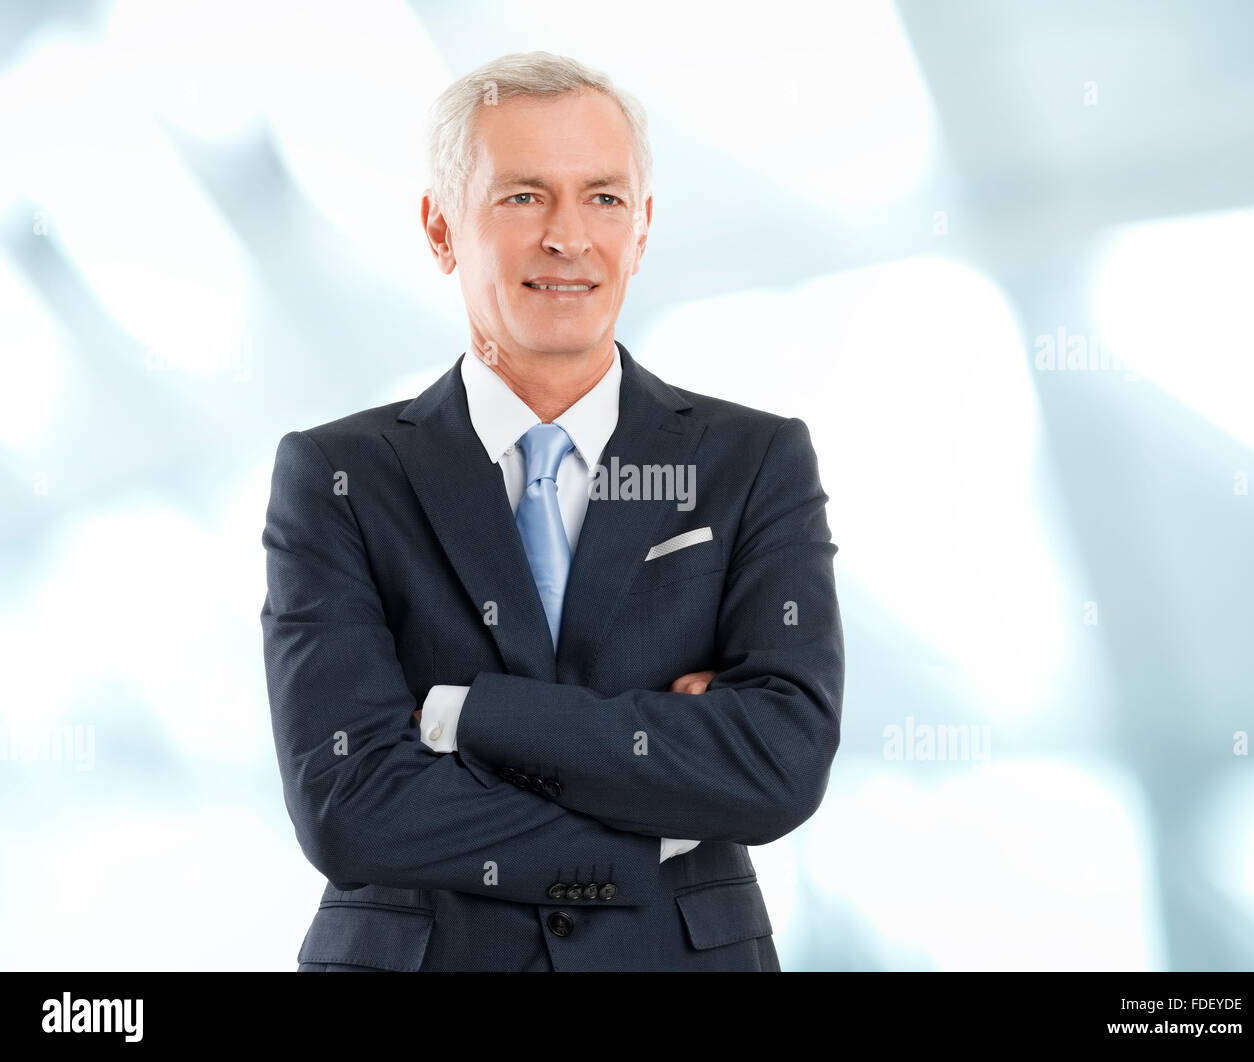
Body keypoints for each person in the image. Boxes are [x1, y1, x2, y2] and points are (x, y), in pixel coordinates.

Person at [260, 50, 844, 972]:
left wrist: (462, 718)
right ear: (441, 228)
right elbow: (349, 800)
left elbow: (779, 762)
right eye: (523, 197)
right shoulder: (339, 476)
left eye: (604, 198)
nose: (568, 237)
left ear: (642, 228)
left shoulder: (751, 462)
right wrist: (647, 830)